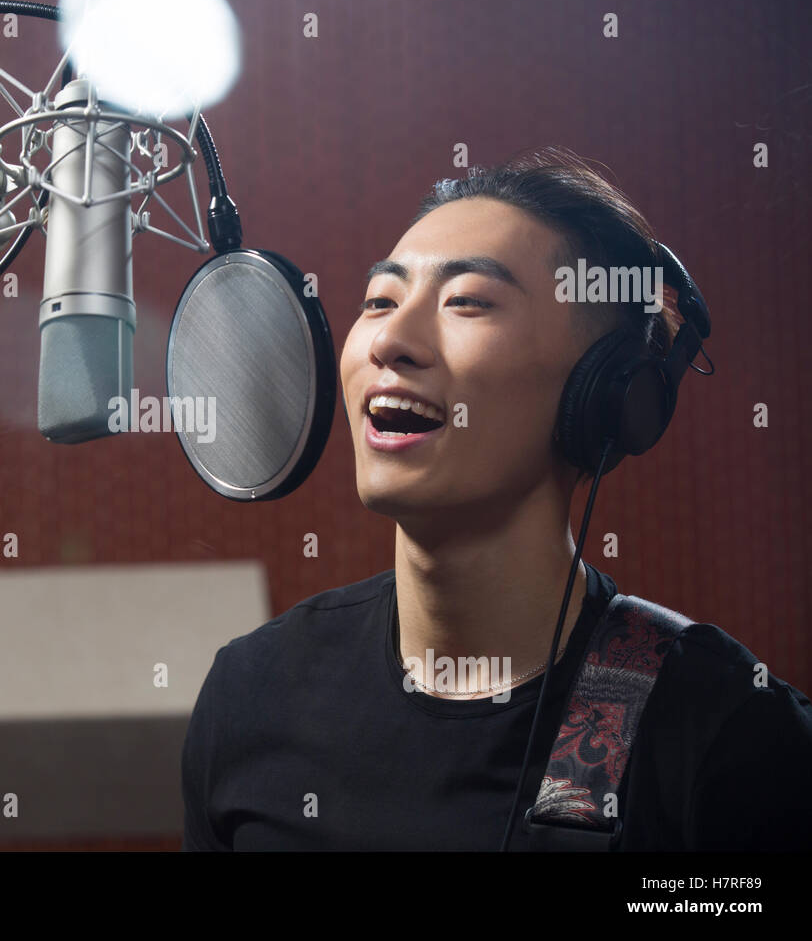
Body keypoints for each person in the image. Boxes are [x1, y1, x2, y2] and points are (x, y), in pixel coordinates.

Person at [180, 147, 812, 851]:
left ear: (603, 398)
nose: (390, 340)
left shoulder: (726, 732)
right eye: (380, 301)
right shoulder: (253, 692)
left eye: (467, 303)